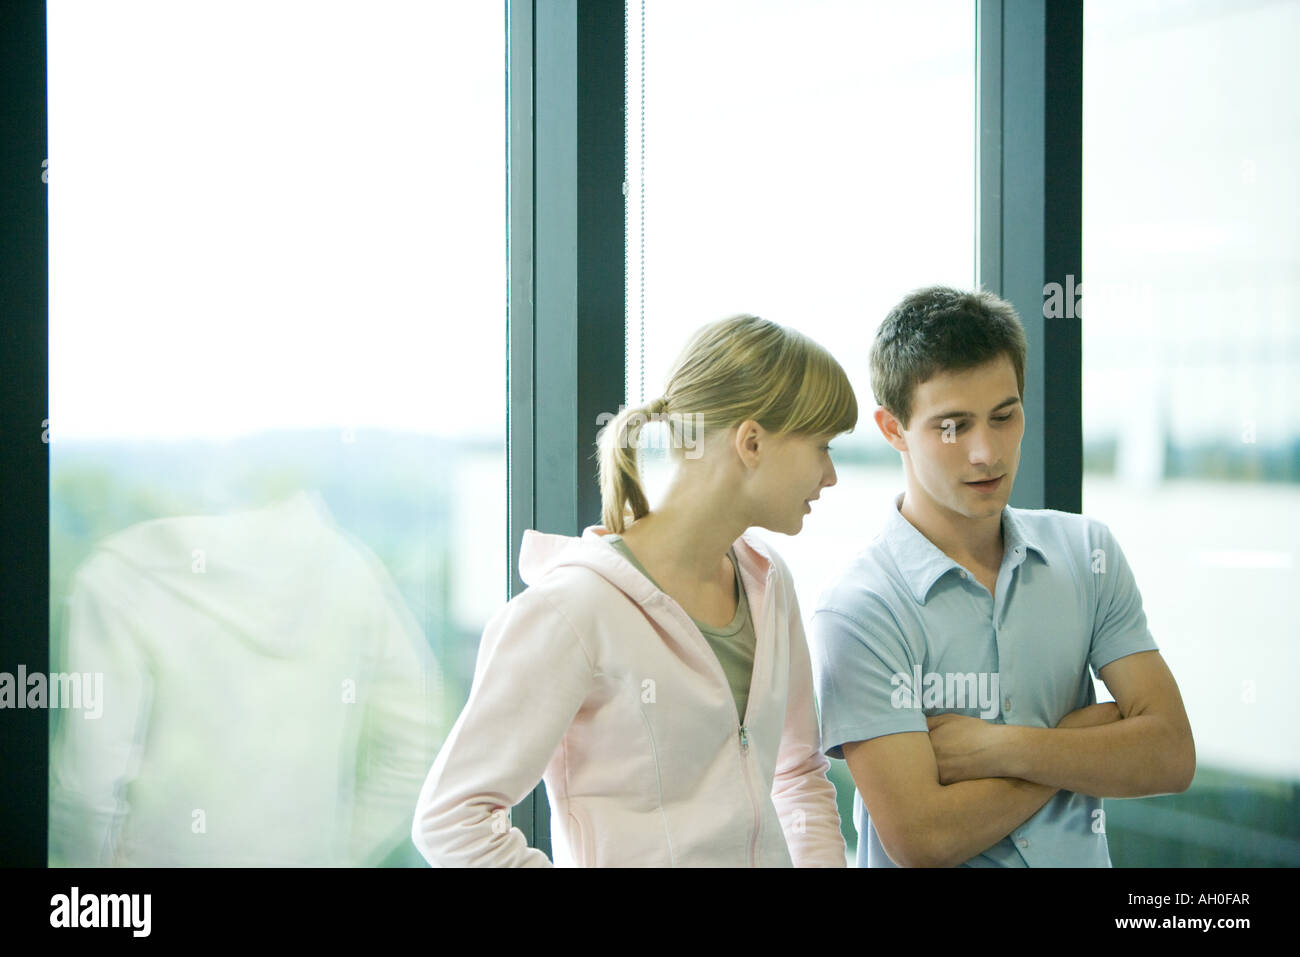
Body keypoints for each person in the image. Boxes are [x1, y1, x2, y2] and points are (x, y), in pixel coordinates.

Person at [411, 314, 856, 866]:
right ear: (751, 442)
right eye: (823, 446)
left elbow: (798, 775)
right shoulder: (573, 608)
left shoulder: (769, 581)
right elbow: (452, 820)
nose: (831, 475)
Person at [808, 286, 1195, 868]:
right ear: (892, 430)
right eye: (953, 426)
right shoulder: (860, 608)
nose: (987, 452)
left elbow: (1170, 755)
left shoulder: (1088, 553)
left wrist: (1001, 748)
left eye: (1004, 416)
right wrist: (1078, 744)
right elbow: (924, 839)